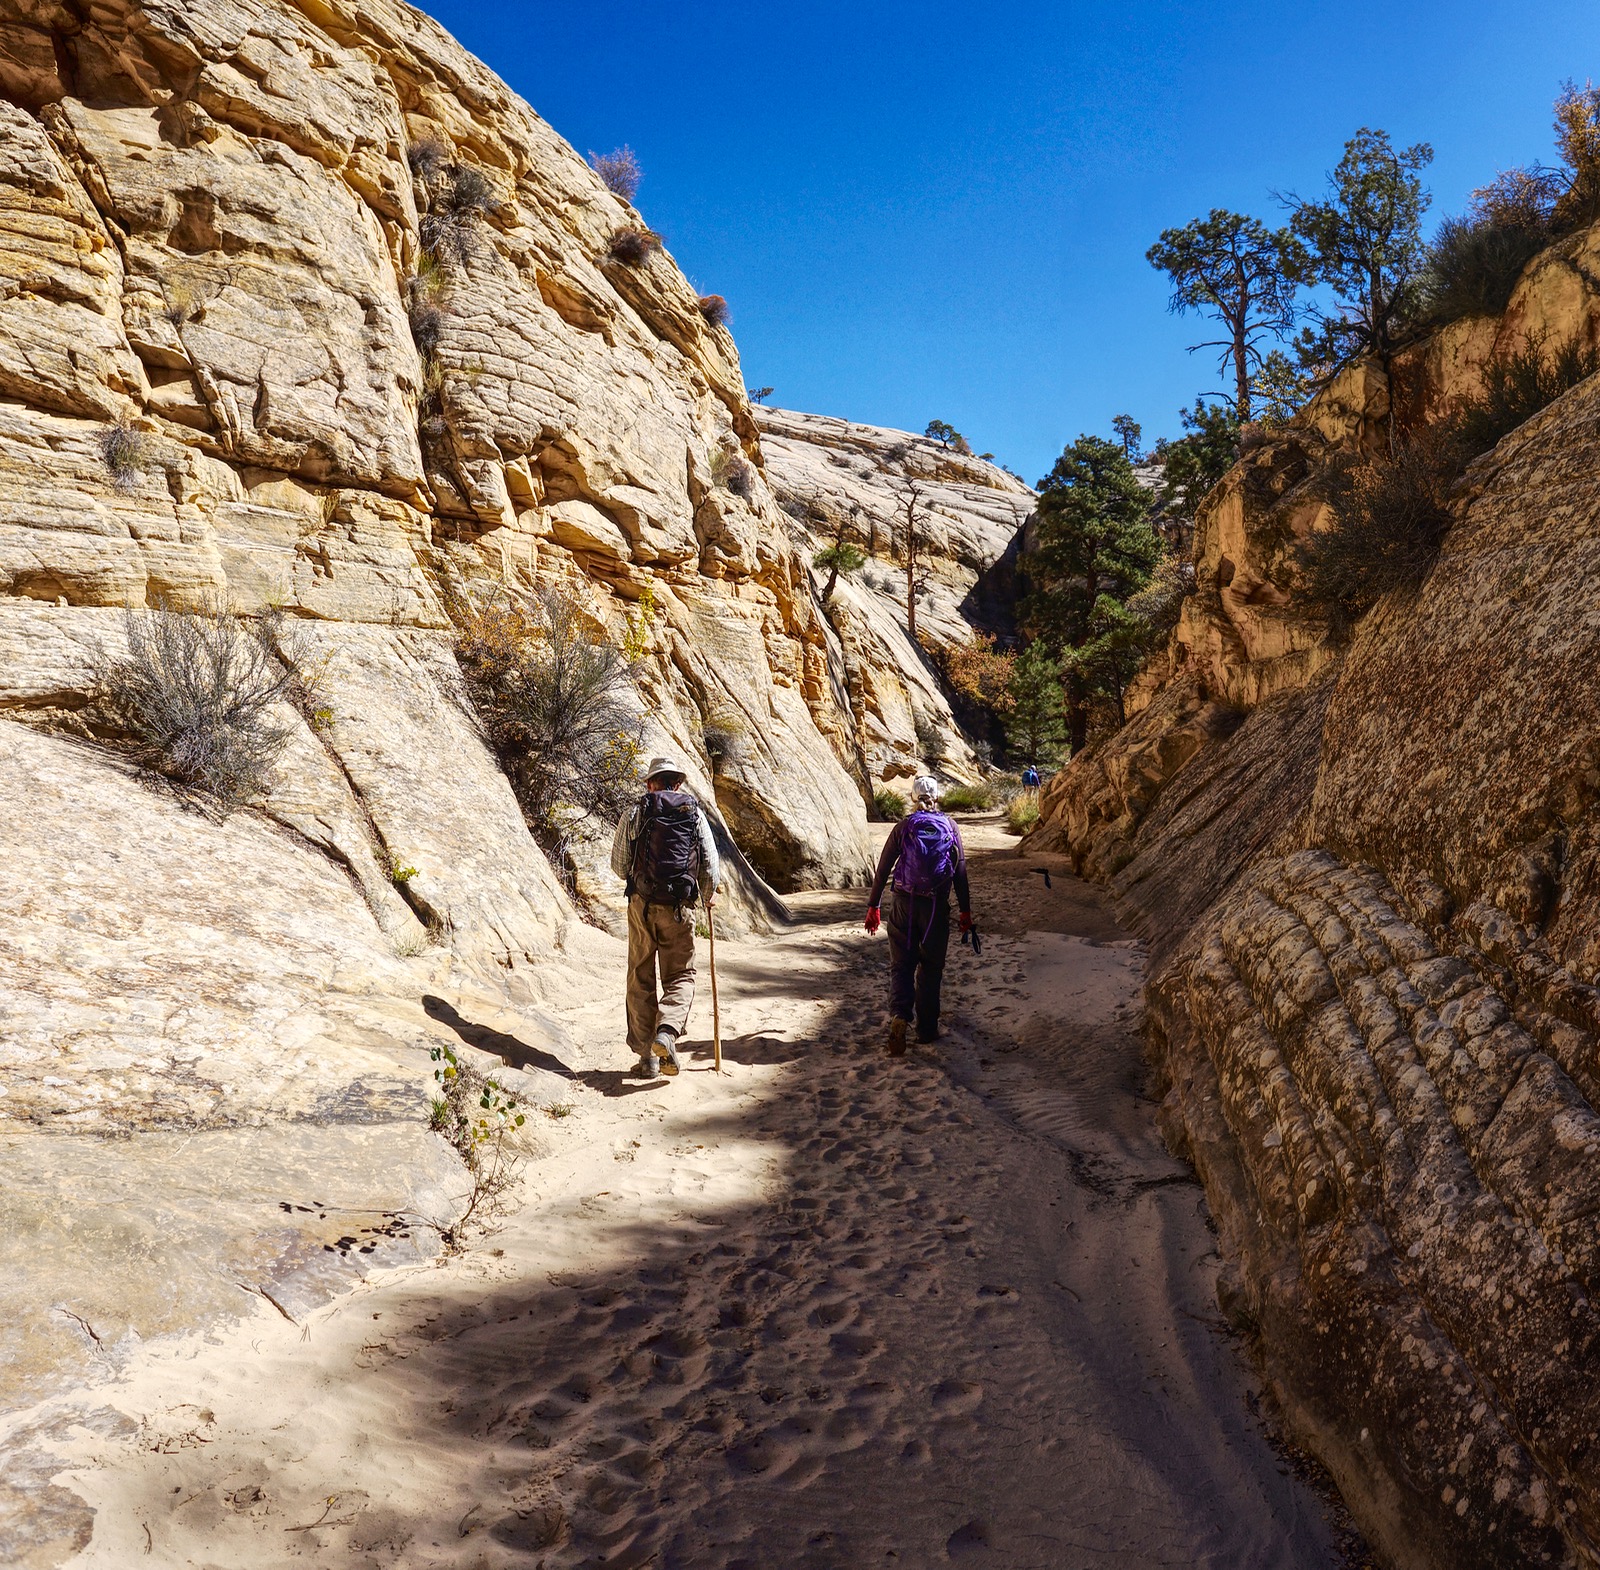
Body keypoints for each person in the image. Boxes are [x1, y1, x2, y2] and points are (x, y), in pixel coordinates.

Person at [610, 755, 720, 1079]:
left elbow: (618, 865)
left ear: (650, 783)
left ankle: (648, 1059)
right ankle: (667, 1034)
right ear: (678, 783)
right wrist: (708, 893)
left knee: (640, 976)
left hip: (641, 907)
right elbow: (710, 867)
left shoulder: (636, 811)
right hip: (679, 909)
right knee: (681, 976)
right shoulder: (694, 814)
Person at [863, 776, 972, 1055]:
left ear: (913, 798)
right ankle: (926, 1029)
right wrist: (965, 911)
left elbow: (883, 868)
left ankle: (900, 1017)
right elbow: (959, 873)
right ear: (938, 797)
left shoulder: (903, 827)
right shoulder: (950, 826)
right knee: (931, 969)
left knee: (901, 966)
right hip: (936, 906)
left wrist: (873, 906)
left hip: (903, 904)